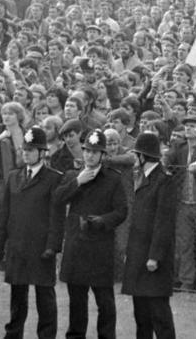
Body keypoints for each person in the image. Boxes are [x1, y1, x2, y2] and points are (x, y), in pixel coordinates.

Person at [0, 126, 66, 339]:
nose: (26, 153)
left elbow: (56, 216)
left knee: (45, 295)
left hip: (41, 246)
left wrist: (53, 245)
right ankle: (13, 334)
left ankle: (47, 335)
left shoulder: (53, 178)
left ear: (42, 153)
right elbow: (5, 213)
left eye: (31, 150)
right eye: (24, 149)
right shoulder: (14, 177)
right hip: (17, 244)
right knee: (17, 295)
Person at [56, 129, 127, 339]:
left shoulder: (112, 179)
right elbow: (57, 199)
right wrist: (78, 182)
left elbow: (121, 211)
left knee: (105, 301)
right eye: (87, 151)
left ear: (103, 155)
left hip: (100, 247)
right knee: (77, 301)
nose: (90, 156)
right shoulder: (72, 175)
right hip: (76, 245)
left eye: (95, 152)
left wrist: (103, 220)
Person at [121, 132, 178, 339]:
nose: (134, 159)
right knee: (141, 314)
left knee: (159, 314)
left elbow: (163, 222)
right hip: (139, 254)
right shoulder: (144, 178)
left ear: (143, 156)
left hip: (153, 258)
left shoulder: (164, 181)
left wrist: (155, 256)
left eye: (136, 155)